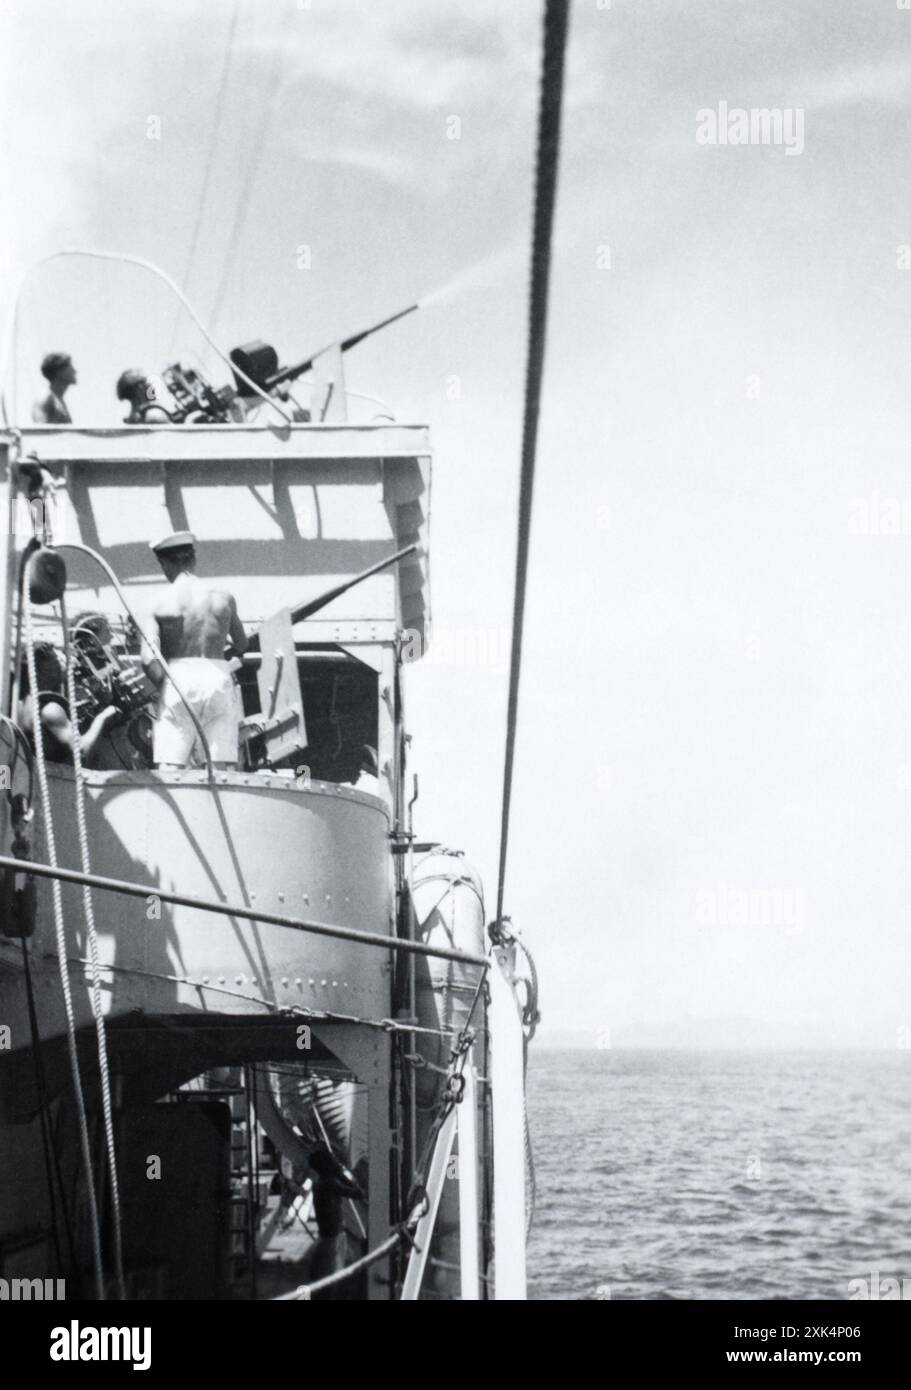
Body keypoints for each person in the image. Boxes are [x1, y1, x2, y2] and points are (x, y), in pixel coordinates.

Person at [145, 532, 247, 769]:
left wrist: (164, 683)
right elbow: (242, 644)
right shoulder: (224, 597)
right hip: (218, 676)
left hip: (178, 676)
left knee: (172, 767)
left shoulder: (158, 602)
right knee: (219, 766)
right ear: (193, 560)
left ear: (164, 563)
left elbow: (148, 658)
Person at [19, 642, 120, 766]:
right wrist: (103, 718)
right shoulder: (50, 709)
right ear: (39, 670)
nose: (62, 663)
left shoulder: (22, 704)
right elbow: (81, 753)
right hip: (58, 781)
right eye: (55, 660)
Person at [32, 352, 76, 424]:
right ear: (60, 372)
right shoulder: (45, 398)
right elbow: (41, 430)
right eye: (70, 367)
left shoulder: (58, 400)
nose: (74, 371)